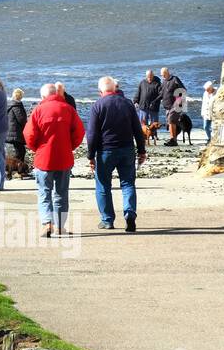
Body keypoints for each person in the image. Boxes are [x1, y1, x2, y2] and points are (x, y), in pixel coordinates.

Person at [24, 83, 86, 237]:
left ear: (43, 97)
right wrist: (69, 146)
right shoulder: (68, 109)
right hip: (63, 157)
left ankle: (47, 224)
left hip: (44, 158)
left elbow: (29, 135)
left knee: (44, 192)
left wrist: (37, 149)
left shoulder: (38, 110)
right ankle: (59, 226)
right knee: (61, 193)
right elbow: (79, 132)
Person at [87, 75, 147, 232]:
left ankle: (107, 220)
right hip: (126, 149)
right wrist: (141, 150)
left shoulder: (98, 105)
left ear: (100, 90)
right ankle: (130, 214)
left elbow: (92, 134)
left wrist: (90, 155)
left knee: (103, 185)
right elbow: (137, 130)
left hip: (105, 151)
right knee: (127, 183)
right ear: (114, 88)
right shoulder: (127, 104)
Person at [5, 88, 28, 165]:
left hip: (10, 131)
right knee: (21, 151)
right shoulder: (17, 106)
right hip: (16, 133)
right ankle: (17, 167)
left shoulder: (10, 105)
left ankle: (15, 166)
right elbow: (22, 119)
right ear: (20, 96)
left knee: (18, 150)